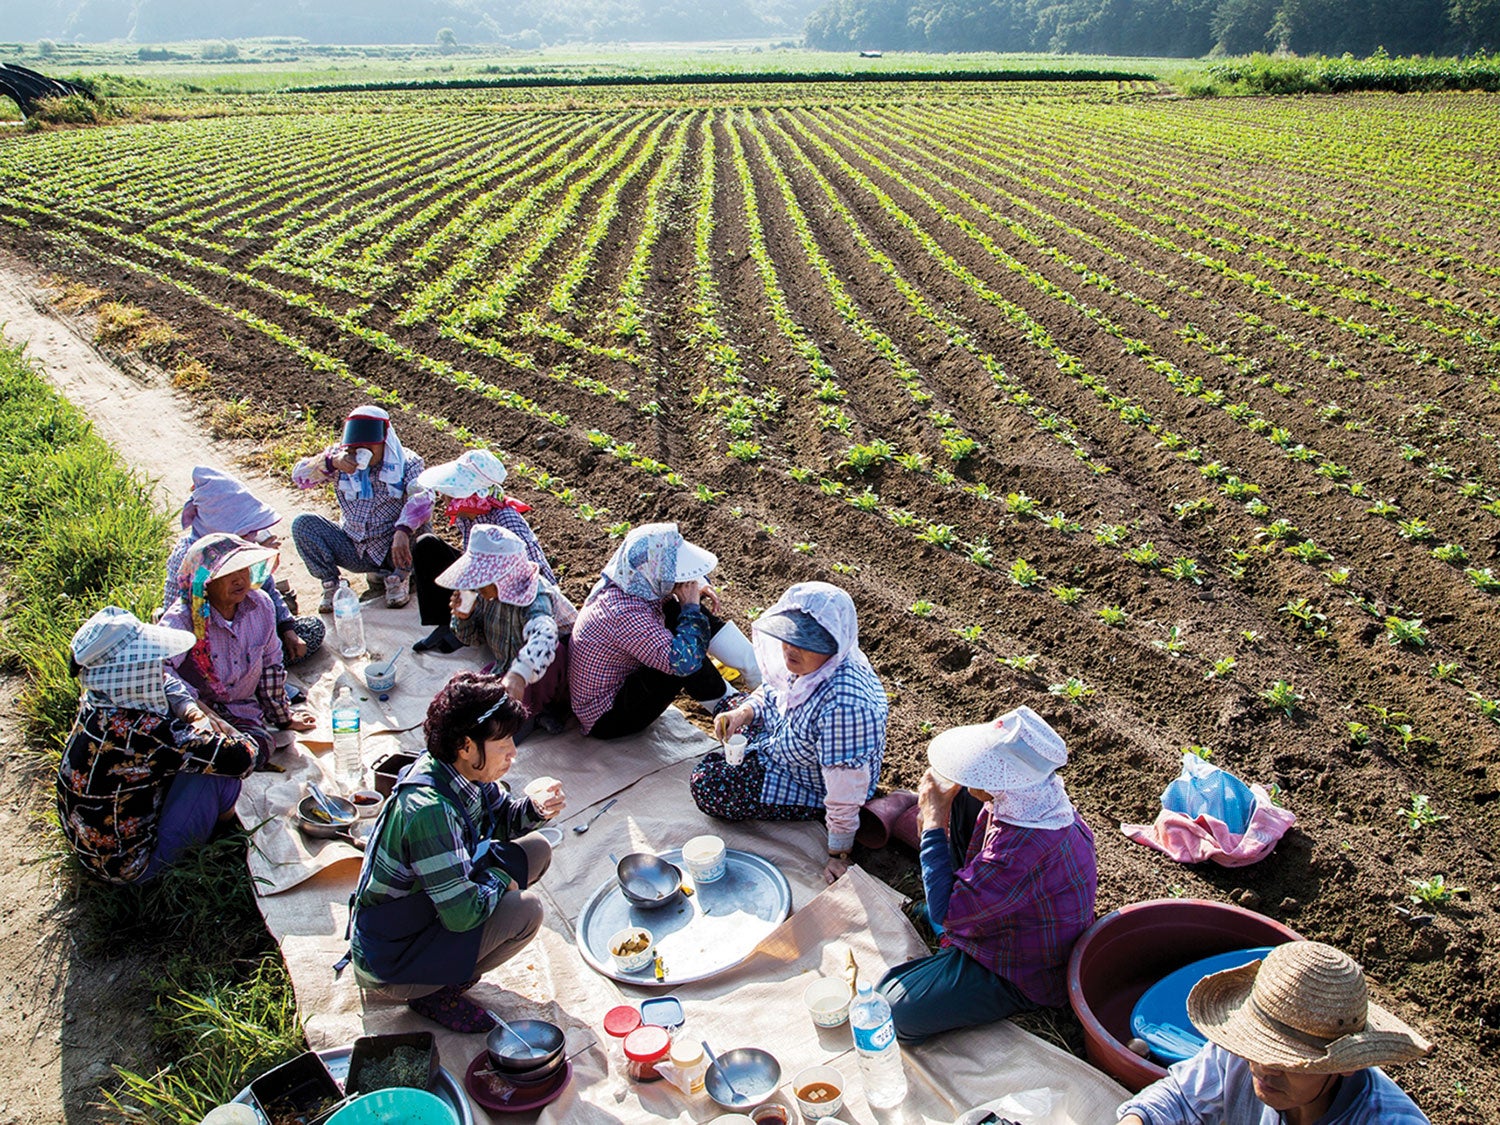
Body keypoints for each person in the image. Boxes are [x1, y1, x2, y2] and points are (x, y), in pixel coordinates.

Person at [348, 673, 566, 1032]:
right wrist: (500, 880)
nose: (513, 751)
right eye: (502, 742)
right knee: (525, 910)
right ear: (466, 746)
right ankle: (430, 988)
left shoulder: (461, 771)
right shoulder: (429, 810)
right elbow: (462, 916)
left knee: (537, 849)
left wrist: (537, 808)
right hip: (393, 954)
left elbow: (503, 820)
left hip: (428, 908)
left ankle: (441, 966)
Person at [877, 705, 1096, 1042]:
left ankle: (960, 950)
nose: (972, 778)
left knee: (889, 1010)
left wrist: (933, 821)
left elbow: (945, 912)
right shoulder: (1039, 801)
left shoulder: (1017, 851)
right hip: (1011, 915)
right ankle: (957, 934)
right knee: (964, 798)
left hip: (1024, 968)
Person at [691, 582, 887, 885]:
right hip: (789, 739)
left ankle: (807, 809)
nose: (791, 649)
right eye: (788, 637)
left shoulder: (845, 706)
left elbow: (844, 789)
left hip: (810, 781)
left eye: (806, 642)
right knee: (731, 706)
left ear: (835, 644)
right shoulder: (810, 666)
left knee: (709, 785)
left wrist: (839, 853)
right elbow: (771, 690)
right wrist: (743, 713)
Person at [1117, 940, 1431, 1124]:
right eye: (1260, 1051)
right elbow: (1182, 1099)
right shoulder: (1242, 1052)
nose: (1264, 1067)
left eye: (1287, 1061)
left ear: (1346, 1066)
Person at [56, 606, 258, 884]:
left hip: (92, 848)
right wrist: (221, 732)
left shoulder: (98, 701)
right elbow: (243, 758)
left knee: (195, 760)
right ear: (132, 672)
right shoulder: (147, 732)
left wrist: (192, 711)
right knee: (221, 778)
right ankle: (222, 842)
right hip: (134, 867)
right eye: (149, 662)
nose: (156, 668)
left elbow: (166, 683)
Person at [569, 522, 739, 739]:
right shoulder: (624, 613)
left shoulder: (632, 582)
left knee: (677, 608)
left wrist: (693, 593)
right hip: (608, 717)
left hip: (623, 685)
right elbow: (684, 662)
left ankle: (755, 671)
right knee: (682, 653)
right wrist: (690, 607)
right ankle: (731, 707)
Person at [162, 533, 317, 766]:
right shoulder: (183, 618)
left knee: (252, 751)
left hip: (241, 711)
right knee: (184, 751)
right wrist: (196, 709)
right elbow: (158, 668)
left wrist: (283, 719)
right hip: (193, 715)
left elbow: (271, 666)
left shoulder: (261, 605)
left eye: (243, 570)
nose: (239, 580)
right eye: (227, 574)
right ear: (206, 581)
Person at [161, 465, 324, 666]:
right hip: (209, 650)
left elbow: (268, 591)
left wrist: (287, 629)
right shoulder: (192, 559)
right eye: (245, 533)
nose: (251, 537)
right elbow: (184, 623)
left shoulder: (242, 547)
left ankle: (264, 665)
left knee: (312, 629)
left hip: (250, 636)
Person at [409, 449, 558, 654]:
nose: (443, 495)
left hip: (505, 592)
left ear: (470, 494)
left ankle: (471, 627)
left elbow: (533, 574)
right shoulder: (467, 516)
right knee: (427, 545)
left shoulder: (506, 521)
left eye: (450, 490)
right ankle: (449, 623)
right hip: (484, 579)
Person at [433, 525, 574, 736]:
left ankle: (533, 713)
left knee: (501, 719)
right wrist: (464, 617)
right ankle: (524, 711)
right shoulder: (485, 594)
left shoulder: (534, 594)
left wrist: (518, 675)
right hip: (507, 665)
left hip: (542, 673)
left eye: (484, 581)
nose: (478, 587)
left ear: (505, 577)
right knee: (472, 694)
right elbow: (474, 638)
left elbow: (545, 635)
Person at [290, 405, 431, 612]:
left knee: (422, 525)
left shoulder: (406, 462)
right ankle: (331, 583)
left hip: (393, 546)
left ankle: (400, 576)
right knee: (303, 524)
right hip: (355, 546)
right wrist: (332, 463)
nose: (360, 451)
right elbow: (299, 477)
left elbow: (422, 499)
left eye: (368, 446)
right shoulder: (339, 459)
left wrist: (403, 530)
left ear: (384, 442)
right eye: (355, 446)